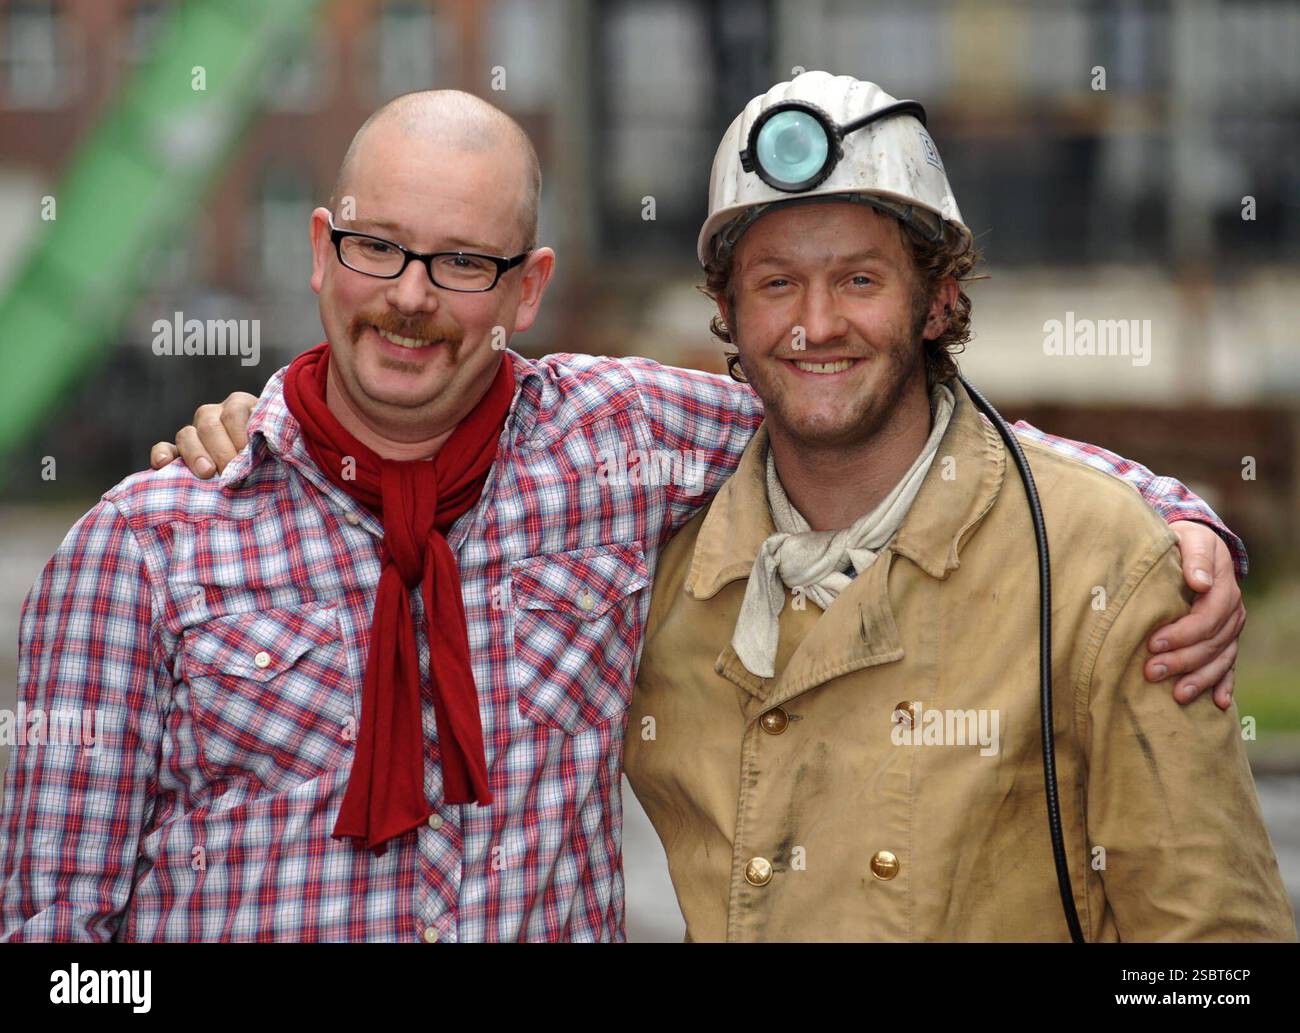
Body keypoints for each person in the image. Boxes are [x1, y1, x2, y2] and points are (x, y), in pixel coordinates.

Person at [1, 87, 1245, 943]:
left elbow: (885, 417)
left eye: (465, 263)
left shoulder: (615, 441)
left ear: (528, 288)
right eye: (379, 250)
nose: (413, 300)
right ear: (322, 252)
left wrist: (1173, 516)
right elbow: (53, 935)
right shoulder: (143, 547)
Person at [621, 72, 1294, 941]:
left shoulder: (1101, 565)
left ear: (938, 299)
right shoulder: (656, 575)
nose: (816, 324)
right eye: (777, 283)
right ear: (728, 310)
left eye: (860, 280)